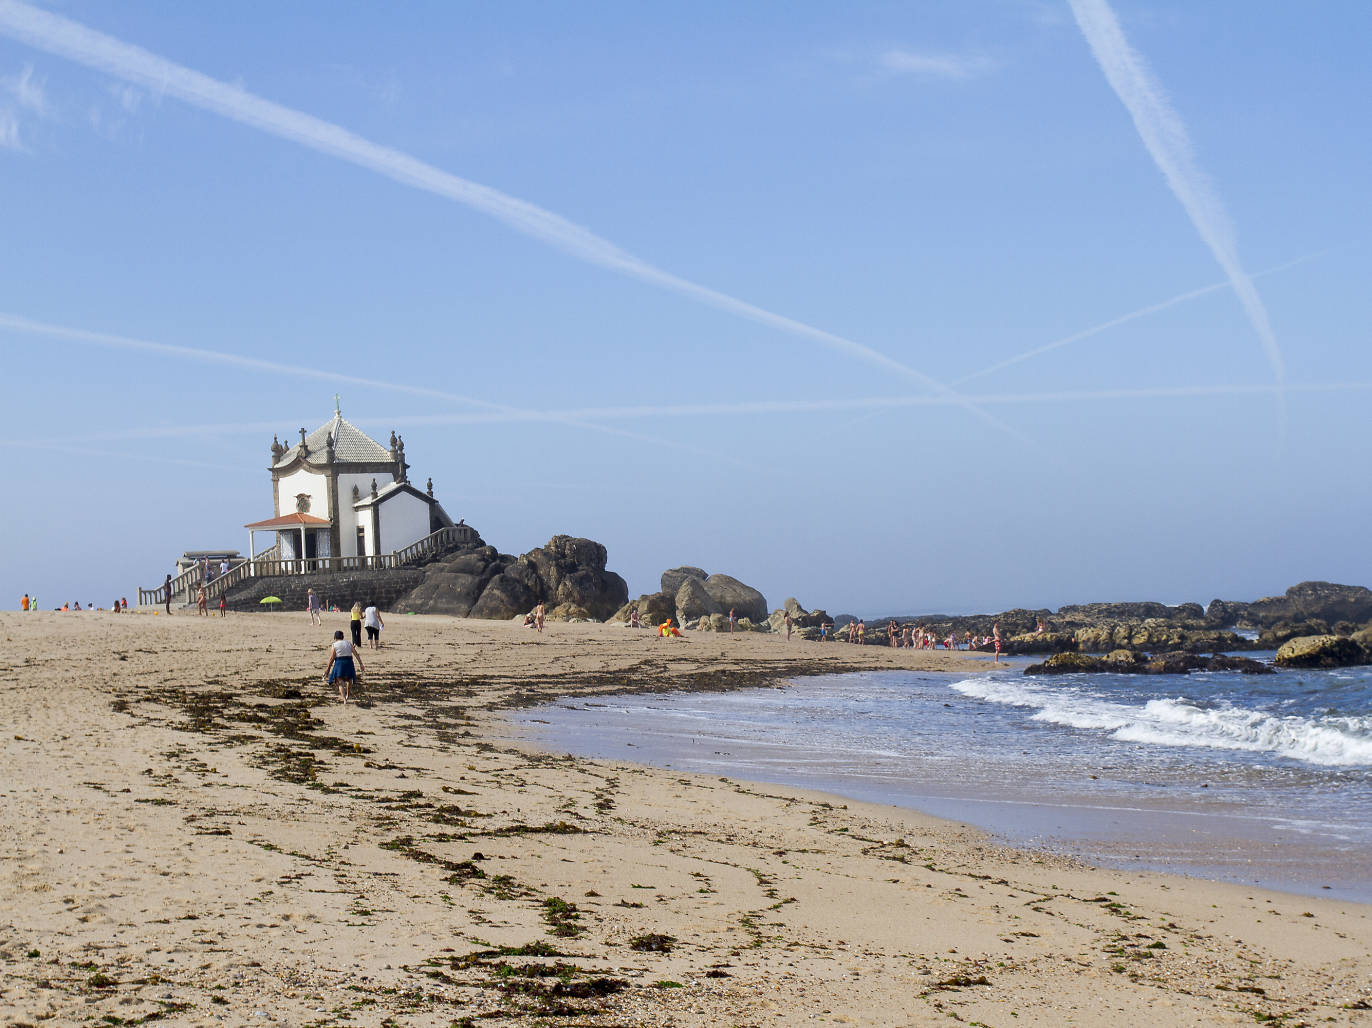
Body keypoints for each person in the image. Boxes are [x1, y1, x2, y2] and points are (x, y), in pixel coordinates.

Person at [324, 629, 364, 704]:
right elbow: (356, 654)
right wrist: (361, 664)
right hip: (349, 662)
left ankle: (344, 700)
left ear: (335, 638)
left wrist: (328, 669)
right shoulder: (348, 643)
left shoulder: (334, 645)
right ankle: (348, 695)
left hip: (339, 663)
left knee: (340, 682)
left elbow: (332, 658)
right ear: (343, 637)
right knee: (349, 680)